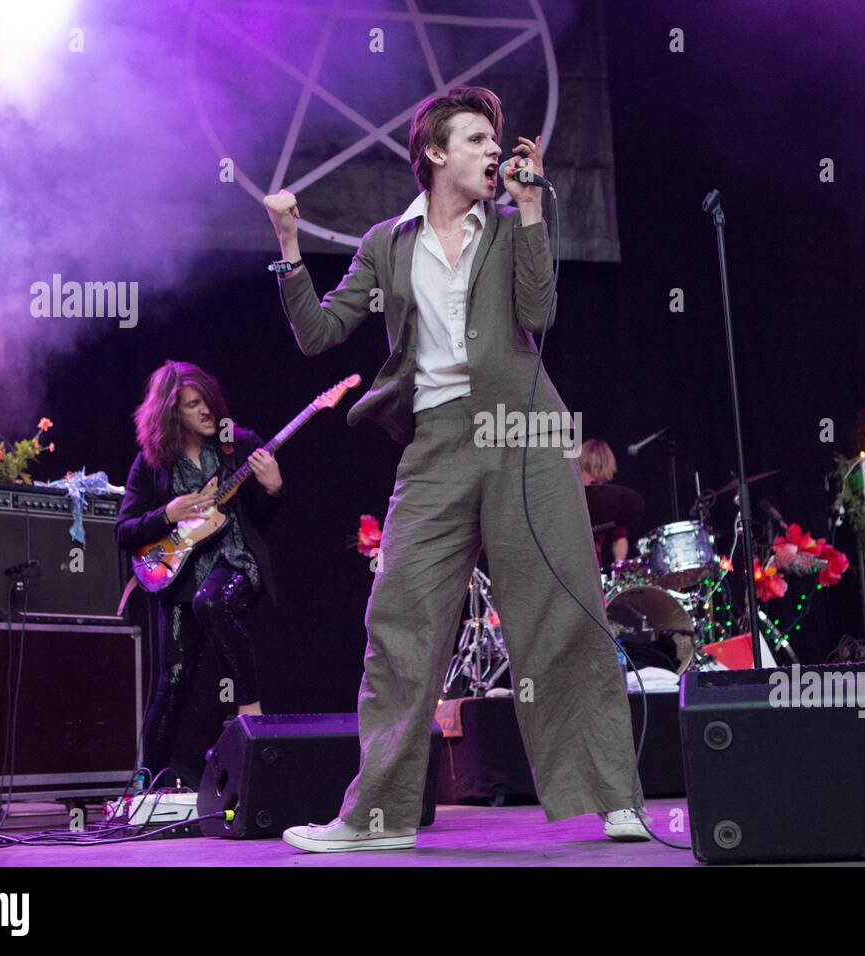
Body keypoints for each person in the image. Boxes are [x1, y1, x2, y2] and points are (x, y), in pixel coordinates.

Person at [265, 86, 645, 851]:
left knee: (563, 614)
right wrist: (289, 245)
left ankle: (614, 798)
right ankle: (376, 818)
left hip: (526, 435)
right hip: (436, 442)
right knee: (400, 620)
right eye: (474, 140)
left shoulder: (507, 228)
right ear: (435, 152)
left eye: (493, 140)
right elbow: (320, 334)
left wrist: (533, 213)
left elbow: (537, 315)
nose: (490, 152)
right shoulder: (387, 243)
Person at [114, 361, 283, 785]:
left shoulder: (240, 446)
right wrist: (166, 512)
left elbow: (260, 519)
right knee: (172, 680)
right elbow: (124, 531)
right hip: (180, 578)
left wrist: (273, 489)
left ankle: (250, 706)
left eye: (207, 400)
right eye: (193, 405)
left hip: (236, 562)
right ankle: (145, 783)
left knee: (213, 601)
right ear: (172, 415)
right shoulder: (152, 465)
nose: (206, 410)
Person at [579, 438, 630, 566]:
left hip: (594, 575)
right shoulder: (565, 502)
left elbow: (620, 538)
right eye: (594, 483)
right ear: (579, 469)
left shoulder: (606, 503)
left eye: (603, 484)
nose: (598, 490)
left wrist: (619, 562)